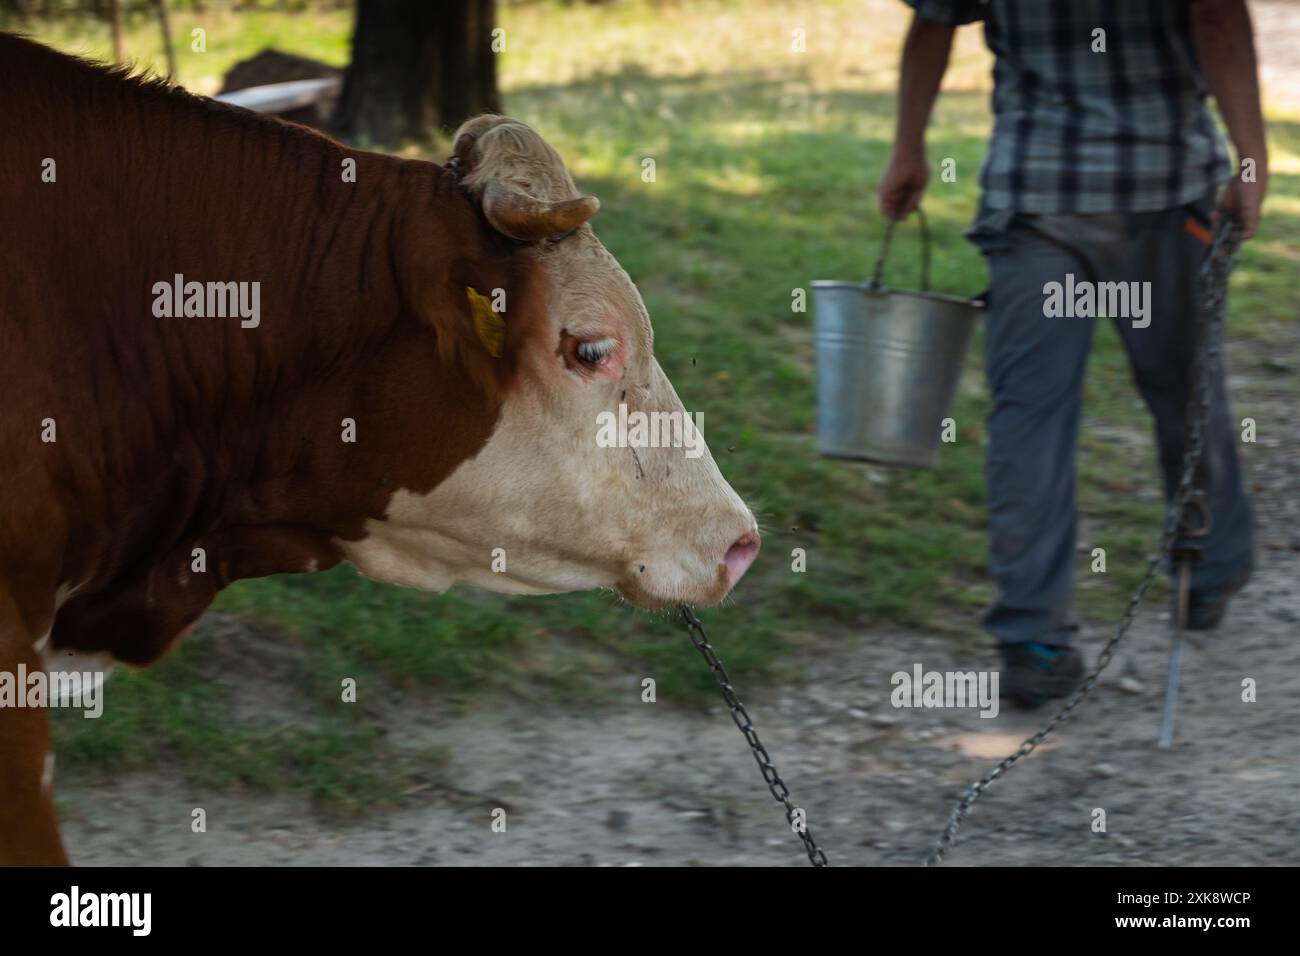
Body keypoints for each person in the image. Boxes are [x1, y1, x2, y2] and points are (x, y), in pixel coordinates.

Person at [879, 0, 1266, 705]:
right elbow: (1216, 16)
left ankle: (1035, 638)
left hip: (1036, 202)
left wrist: (908, 147)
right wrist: (1251, 155)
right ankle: (1207, 568)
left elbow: (934, 18)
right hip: (1164, 190)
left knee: (1030, 419)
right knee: (1185, 391)